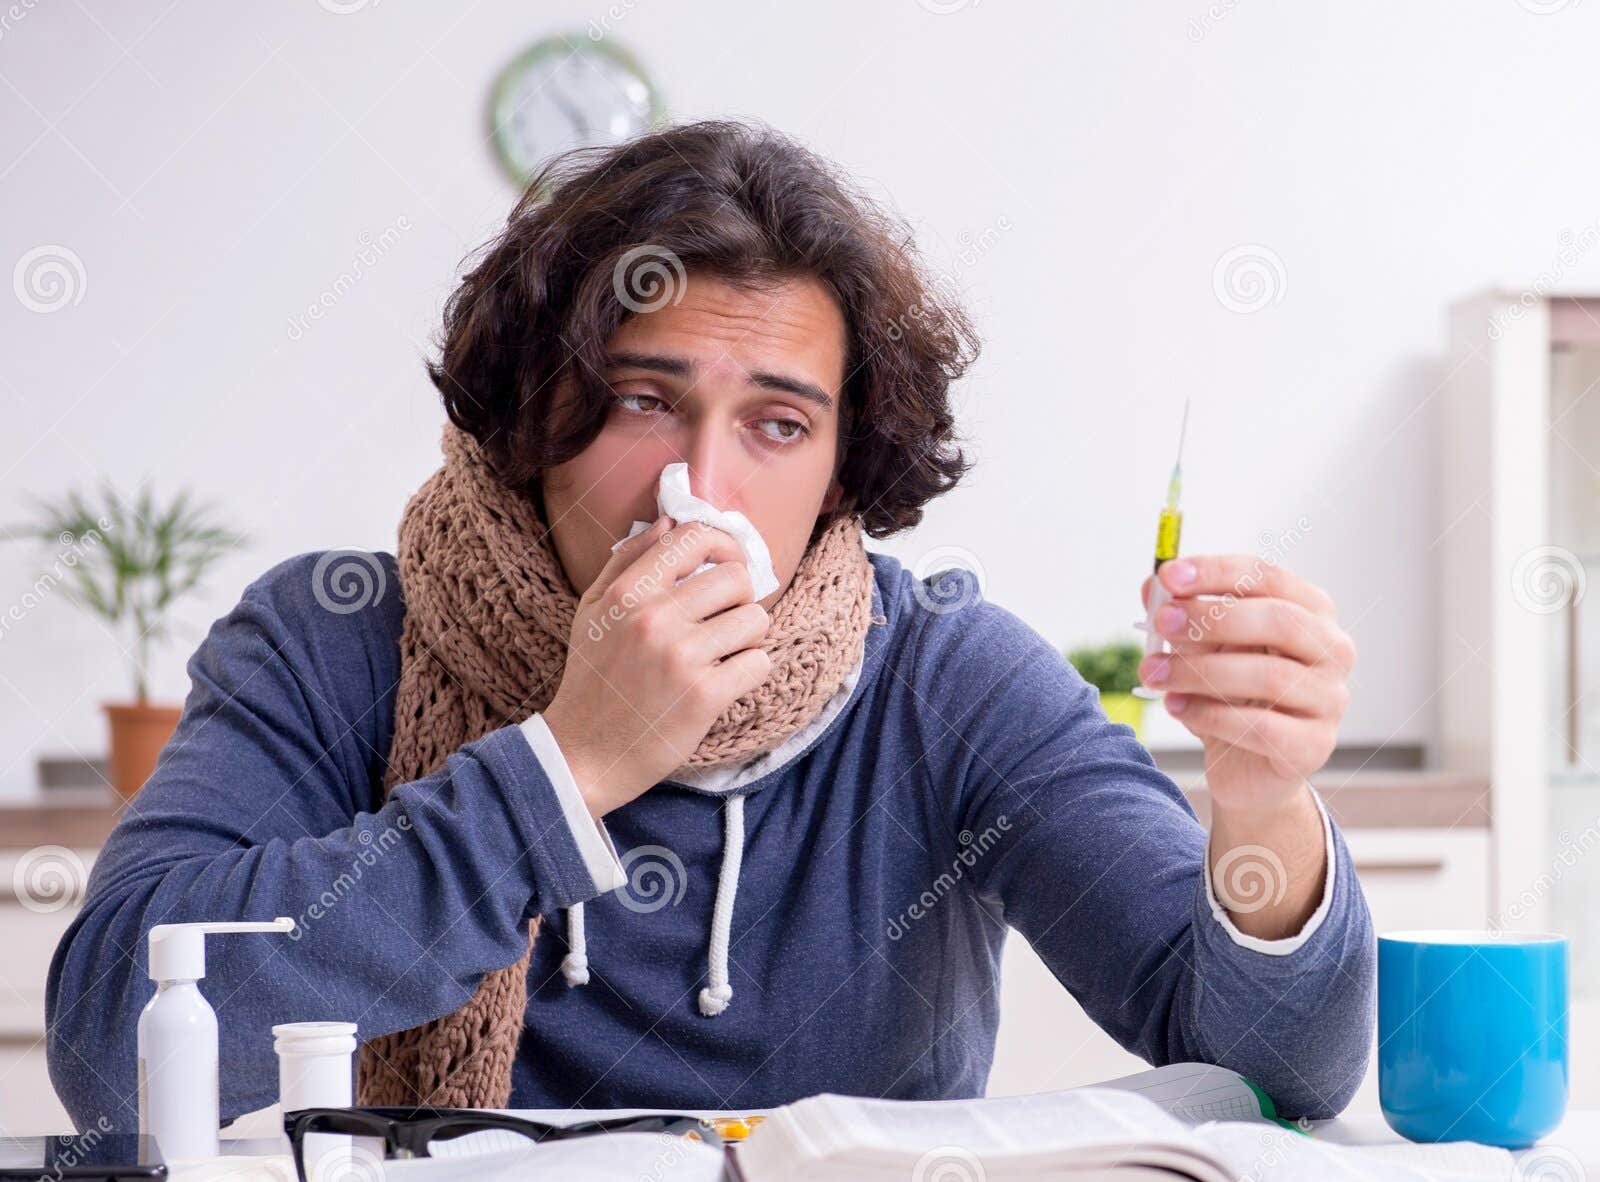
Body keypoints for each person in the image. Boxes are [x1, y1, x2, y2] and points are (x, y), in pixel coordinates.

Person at [47, 119, 1371, 1129]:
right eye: (642, 402)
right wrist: (565, 772)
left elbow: (1284, 1075)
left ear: (845, 471)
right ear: (529, 418)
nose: (704, 486)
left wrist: (1262, 814)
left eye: (778, 425)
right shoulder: (334, 641)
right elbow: (116, 1049)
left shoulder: (947, 680)